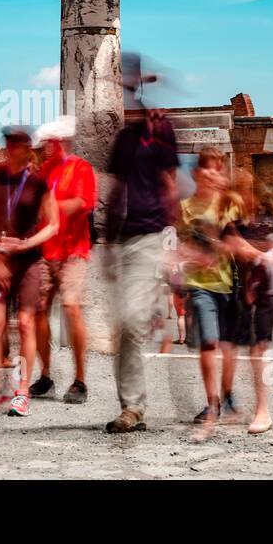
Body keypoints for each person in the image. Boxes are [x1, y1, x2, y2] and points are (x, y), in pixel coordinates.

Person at [103, 95, 180, 433]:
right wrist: (106, 240)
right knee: (123, 323)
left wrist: (172, 239)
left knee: (133, 320)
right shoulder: (122, 139)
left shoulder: (163, 129)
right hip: (122, 238)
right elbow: (117, 189)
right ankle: (131, 404)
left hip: (151, 235)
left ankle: (134, 406)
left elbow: (170, 184)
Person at [0, 126, 58, 417]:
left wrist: (26, 244)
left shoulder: (38, 182)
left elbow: (53, 224)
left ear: (28, 150)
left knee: (26, 322)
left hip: (29, 260)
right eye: (8, 143)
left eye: (18, 144)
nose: (11, 148)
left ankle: (22, 391)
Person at [177, 147, 246, 432]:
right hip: (200, 284)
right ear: (196, 172)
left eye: (218, 169)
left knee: (229, 346)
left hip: (228, 282)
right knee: (208, 342)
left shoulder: (230, 204)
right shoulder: (185, 208)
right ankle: (212, 402)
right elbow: (181, 244)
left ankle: (227, 395)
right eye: (208, 168)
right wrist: (192, 255)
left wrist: (221, 246)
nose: (213, 174)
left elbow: (239, 241)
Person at [32, 116, 96, 404]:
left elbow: (84, 203)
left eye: (48, 143)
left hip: (74, 250)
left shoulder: (81, 168)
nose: (44, 148)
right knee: (37, 311)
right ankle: (45, 376)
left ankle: (80, 379)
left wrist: (51, 207)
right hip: (47, 250)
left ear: (60, 143)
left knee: (71, 307)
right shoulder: (43, 171)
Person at [234, 220, 273, 435]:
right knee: (256, 344)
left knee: (260, 344)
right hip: (262, 299)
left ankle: (260, 408)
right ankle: (235, 404)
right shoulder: (269, 257)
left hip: (271, 301)